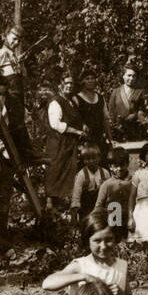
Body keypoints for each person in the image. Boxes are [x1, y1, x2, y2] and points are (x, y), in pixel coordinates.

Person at [42, 209, 135, 295]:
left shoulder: (121, 266)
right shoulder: (81, 266)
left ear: (116, 239)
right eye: (97, 241)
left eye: (109, 239)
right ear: (88, 241)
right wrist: (85, 277)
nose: (103, 246)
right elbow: (47, 284)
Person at [0, 27, 43, 165]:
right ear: (6, 35)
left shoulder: (12, 55)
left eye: (19, 40)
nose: (16, 42)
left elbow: (24, 76)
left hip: (18, 93)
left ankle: (25, 153)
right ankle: (26, 153)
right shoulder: (1, 52)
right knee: (17, 124)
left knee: (19, 122)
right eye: (14, 38)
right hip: (12, 94)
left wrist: (20, 62)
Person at [43, 74, 88, 206]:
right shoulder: (55, 102)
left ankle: (66, 201)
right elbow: (55, 124)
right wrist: (76, 131)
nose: (69, 86)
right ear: (60, 85)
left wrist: (82, 125)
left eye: (71, 83)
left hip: (69, 142)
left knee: (68, 169)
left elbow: (75, 118)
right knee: (55, 168)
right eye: (66, 83)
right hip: (57, 142)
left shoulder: (72, 101)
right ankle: (49, 203)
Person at [93, 146, 133, 241]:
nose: (119, 169)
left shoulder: (134, 181)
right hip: (113, 223)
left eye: (122, 165)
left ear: (127, 164)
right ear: (110, 167)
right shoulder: (107, 185)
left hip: (130, 221)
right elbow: (98, 207)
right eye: (115, 166)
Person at [105, 62, 146, 141]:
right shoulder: (115, 92)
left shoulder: (140, 92)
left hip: (135, 130)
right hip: (118, 131)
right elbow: (111, 112)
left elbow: (143, 110)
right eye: (129, 75)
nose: (131, 78)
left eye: (134, 76)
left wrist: (135, 114)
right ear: (123, 76)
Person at [70, 142, 108, 224]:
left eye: (94, 158)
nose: (91, 161)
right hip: (86, 208)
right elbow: (76, 195)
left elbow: (110, 191)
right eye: (87, 159)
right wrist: (74, 213)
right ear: (83, 160)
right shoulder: (81, 175)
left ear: (99, 158)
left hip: (101, 207)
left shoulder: (105, 173)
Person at [73, 71, 109, 152]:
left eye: (92, 78)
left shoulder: (100, 98)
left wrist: (110, 139)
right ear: (82, 81)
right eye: (87, 79)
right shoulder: (76, 98)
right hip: (84, 140)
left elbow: (105, 119)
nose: (90, 81)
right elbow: (74, 119)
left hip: (99, 138)